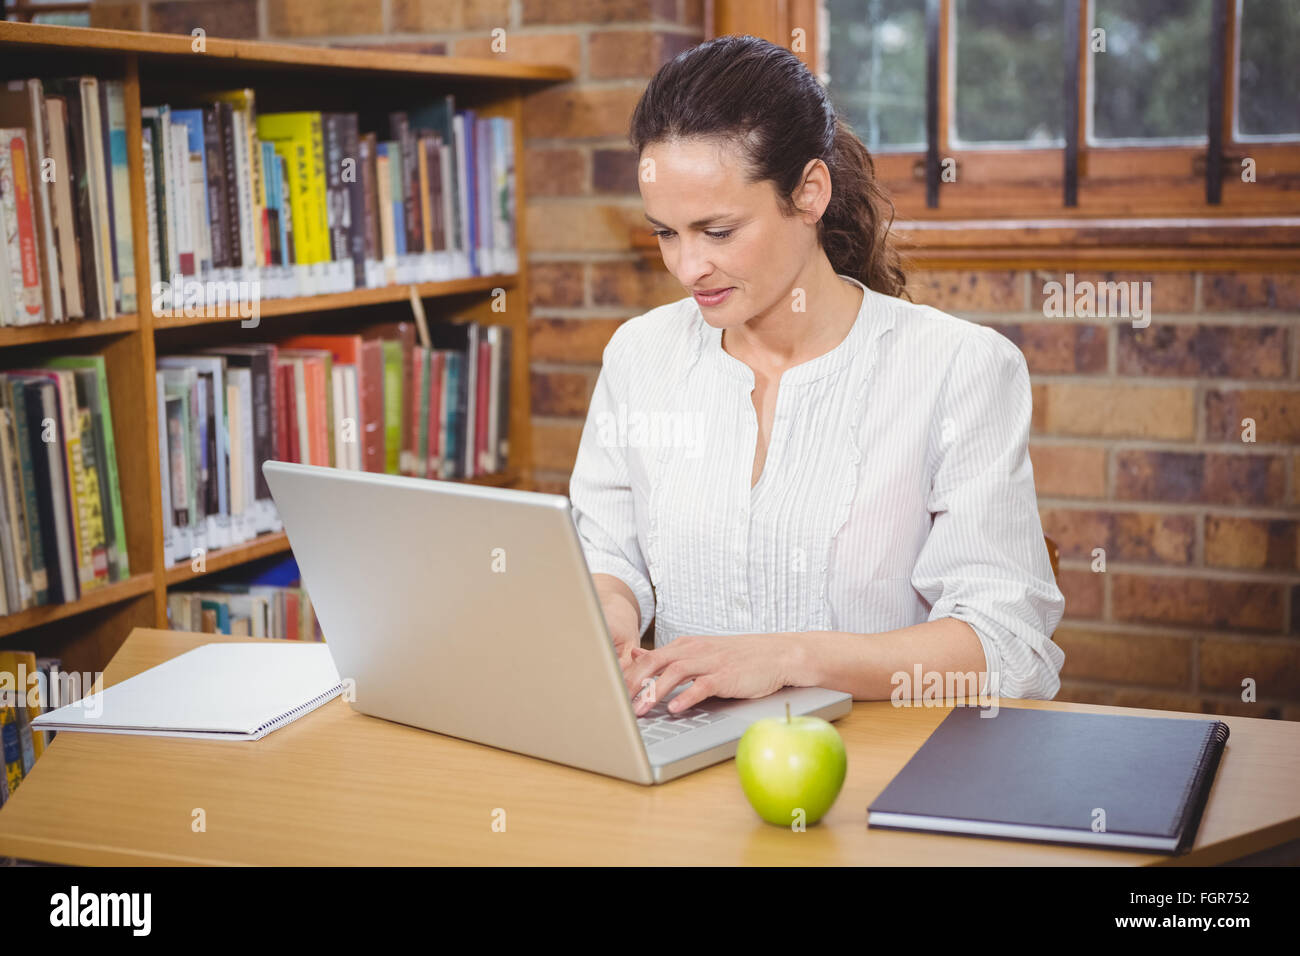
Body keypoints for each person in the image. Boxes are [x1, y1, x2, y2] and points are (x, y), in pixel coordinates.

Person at [568, 34, 1064, 718]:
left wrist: (790, 657)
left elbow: (1007, 645)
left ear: (809, 193)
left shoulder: (957, 368)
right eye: (666, 233)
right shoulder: (639, 355)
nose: (687, 269)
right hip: (681, 757)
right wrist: (610, 623)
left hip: (882, 768)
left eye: (717, 232)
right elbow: (608, 560)